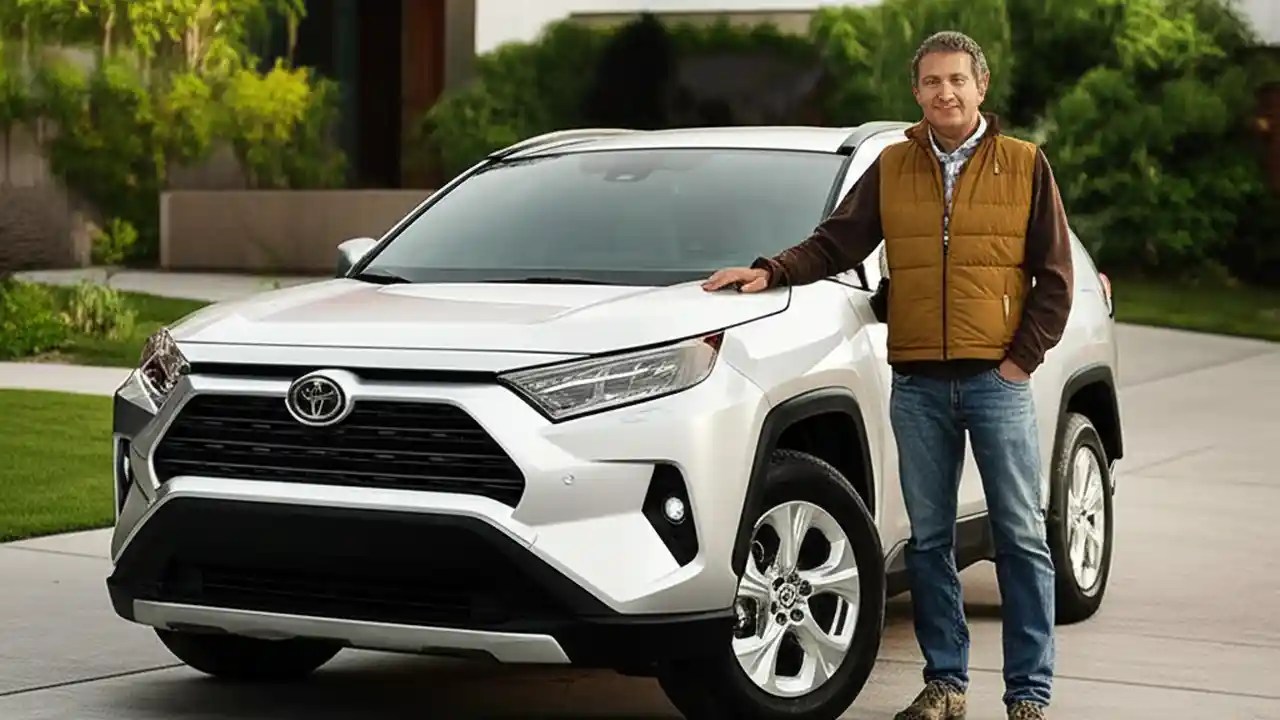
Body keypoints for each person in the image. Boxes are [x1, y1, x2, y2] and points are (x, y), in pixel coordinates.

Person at [702, 30, 1073, 720]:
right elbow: (838, 241)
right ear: (917, 92)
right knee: (928, 542)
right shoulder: (894, 166)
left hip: (998, 382)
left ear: (980, 86)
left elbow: (1055, 279)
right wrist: (771, 271)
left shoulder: (1025, 165)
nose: (945, 92)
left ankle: (1028, 696)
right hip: (919, 385)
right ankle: (947, 686)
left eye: (957, 80)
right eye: (932, 82)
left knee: (1021, 537)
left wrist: (1020, 359)